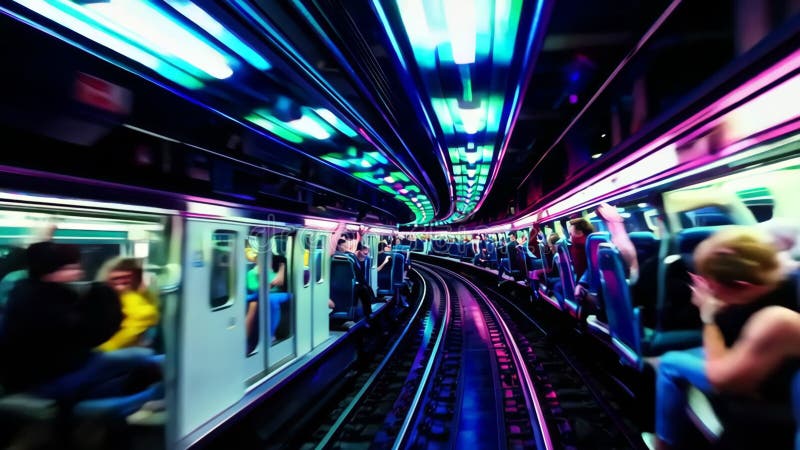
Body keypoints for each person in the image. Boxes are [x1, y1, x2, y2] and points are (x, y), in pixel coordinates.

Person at [651, 227, 800, 450]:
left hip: (773, 399)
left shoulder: (775, 322)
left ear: (742, 287)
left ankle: (663, 443)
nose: (709, 291)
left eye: (712, 285)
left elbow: (720, 379)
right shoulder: (777, 270)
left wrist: (708, 317)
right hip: (763, 364)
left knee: (669, 362)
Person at [0, 242, 159, 404]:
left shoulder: (29, 292)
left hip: (47, 372)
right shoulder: (45, 303)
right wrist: (104, 296)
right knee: (144, 359)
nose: (79, 274)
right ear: (51, 272)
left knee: (139, 363)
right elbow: (91, 336)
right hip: (46, 379)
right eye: (71, 269)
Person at [96, 257, 160, 351]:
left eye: (126, 278)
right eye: (116, 278)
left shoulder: (135, 300)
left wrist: (100, 351)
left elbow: (138, 321)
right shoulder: (105, 298)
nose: (121, 282)